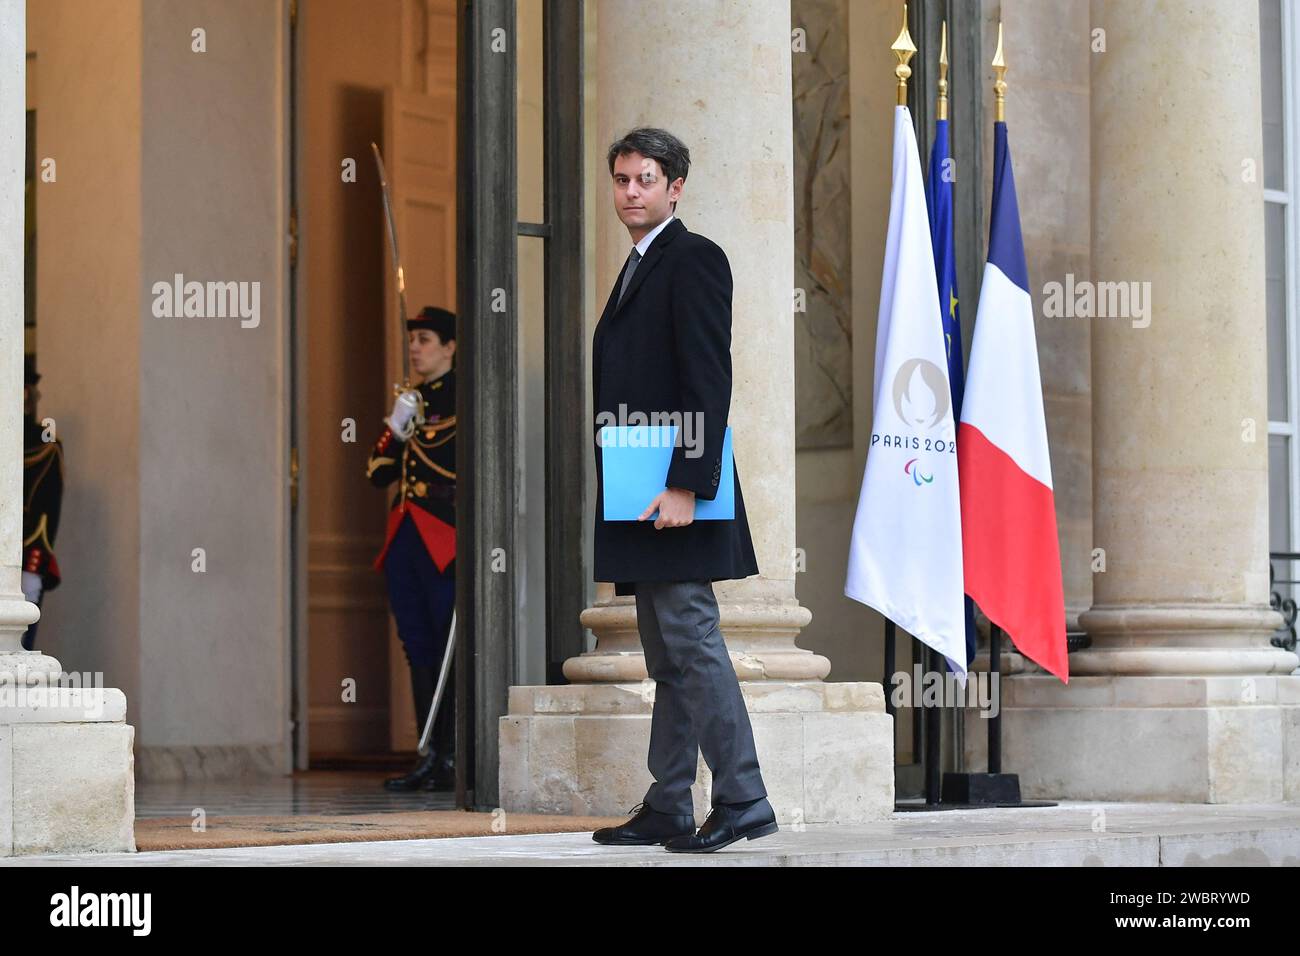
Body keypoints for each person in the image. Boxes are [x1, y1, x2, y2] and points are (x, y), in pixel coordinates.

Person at [589, 128, 777, 852]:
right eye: (621, 179)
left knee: (693, 642)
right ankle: (669, 801)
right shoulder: (637, 265)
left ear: (676, 188)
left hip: (675, 494)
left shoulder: (693, 258)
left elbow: (708, 380)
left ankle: (743, 795)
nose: (630, 191)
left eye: (645, 179)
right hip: (640, 494)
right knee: (666, 654)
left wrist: (686, 485)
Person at [366, 306, 457, 791]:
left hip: (445, 536)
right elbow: (377, 473)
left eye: (425, 339)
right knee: (417, 645)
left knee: (446, 648)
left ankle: (453, 755)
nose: (416, 347)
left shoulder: (463, 395)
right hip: (406, 536)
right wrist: (399, 424)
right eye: (414, 339)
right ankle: (431, 753)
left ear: (449, 347)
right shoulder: (413, 400)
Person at [21, 356, 63, 652]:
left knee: (19, 652)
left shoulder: (45, 445)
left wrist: (35, 557)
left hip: (25, 552)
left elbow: (47, 509)